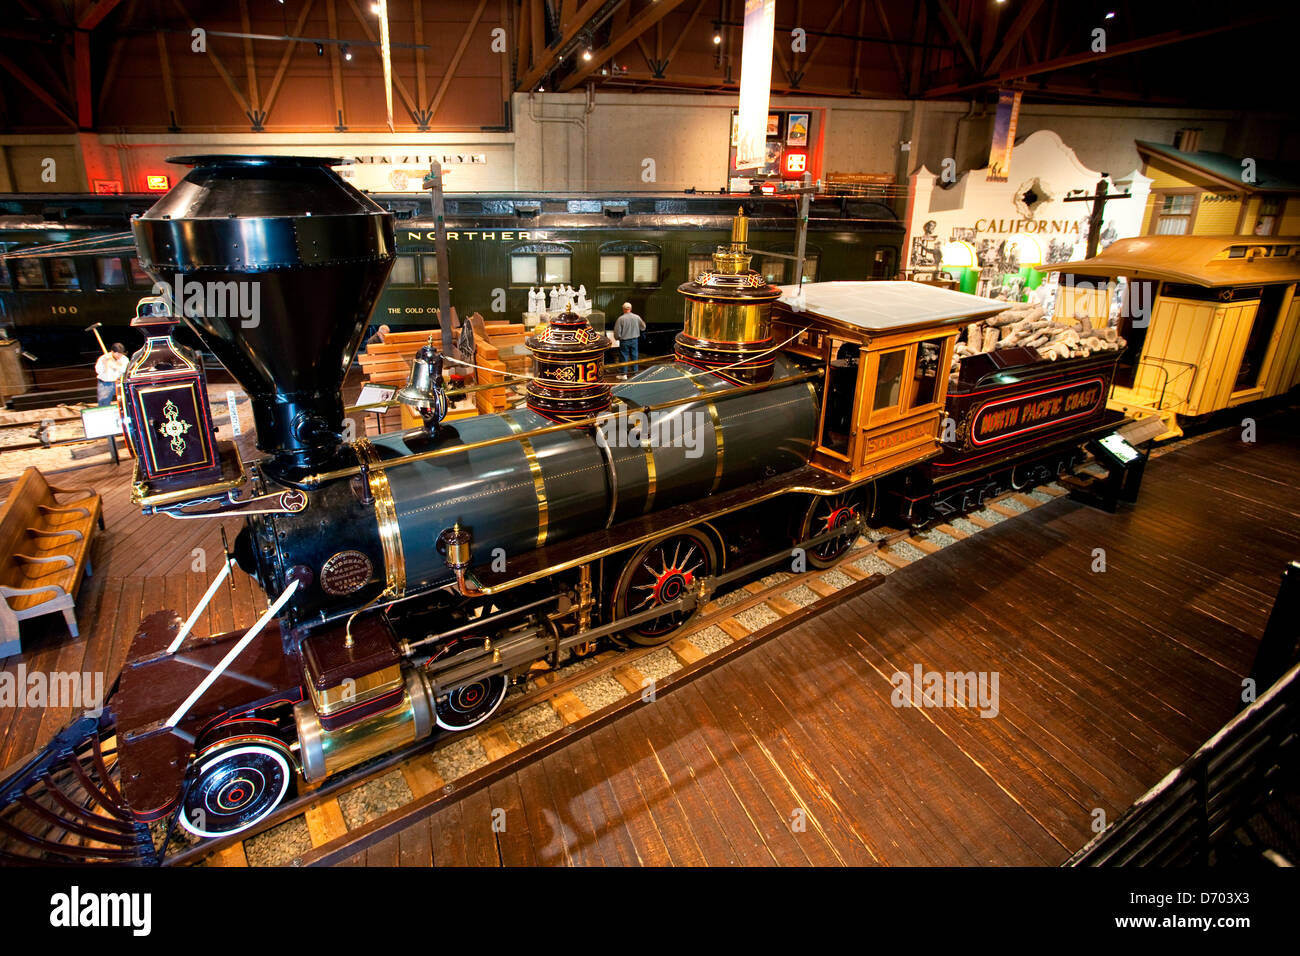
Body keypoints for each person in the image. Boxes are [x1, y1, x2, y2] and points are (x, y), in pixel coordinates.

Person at [613, 302, 645, 373]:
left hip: (624, 341)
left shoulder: (620, 319)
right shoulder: (637, 317)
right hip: (634, 340)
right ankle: (635, 372)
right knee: (634, 356)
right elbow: (643, 327)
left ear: (623, 309)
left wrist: (617, 338)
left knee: (624, 356)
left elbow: (617, 331)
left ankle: (624, 374)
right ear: (631, 309)